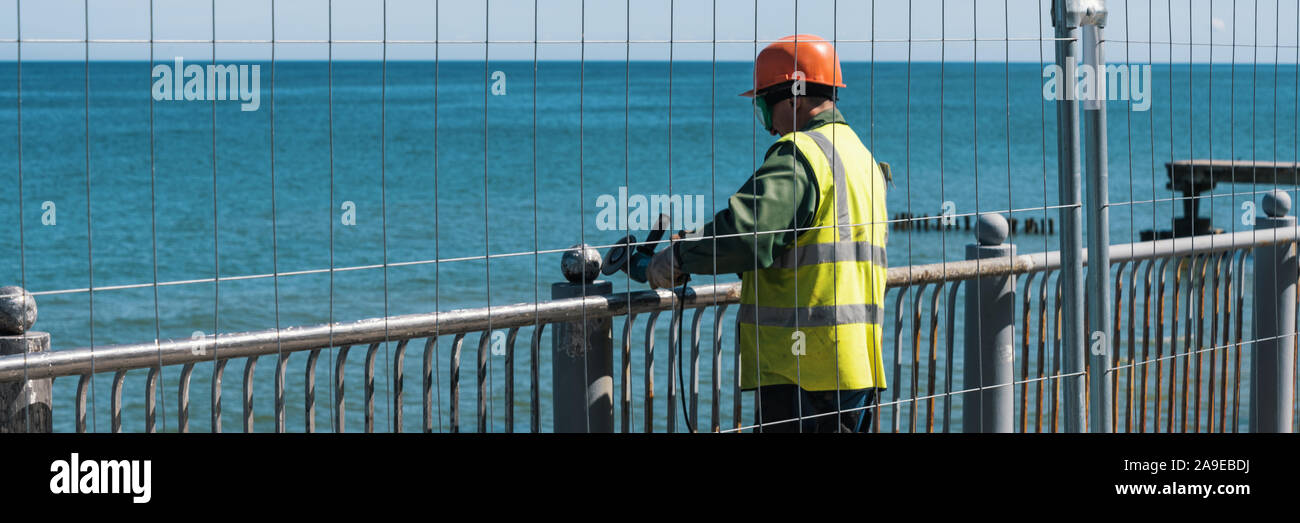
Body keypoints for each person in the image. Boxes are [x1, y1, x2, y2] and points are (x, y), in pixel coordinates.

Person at [646, 34, 889, 433]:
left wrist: (677, 257)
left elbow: (746, 233)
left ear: (793, 96)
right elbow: (810, 247)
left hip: (804, 374)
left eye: (764, 106)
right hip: (856, 367)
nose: (770, 126)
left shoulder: (800, 153)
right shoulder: (860, 157)